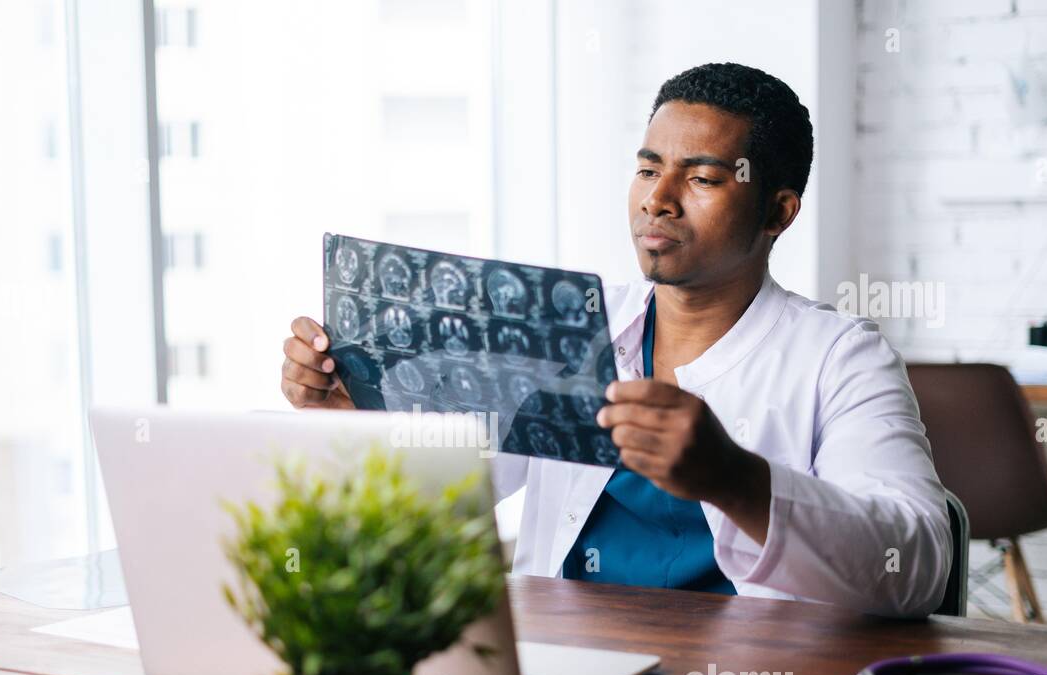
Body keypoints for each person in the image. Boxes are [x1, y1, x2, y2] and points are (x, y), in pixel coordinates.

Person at [279, 62, 951, 619]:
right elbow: (458, 490)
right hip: (568, 674)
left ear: (778, 210)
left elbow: (916, 563)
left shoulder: (840, 357)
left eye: (703, 178)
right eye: (647, 168)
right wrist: (360, 420)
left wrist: (734, 479)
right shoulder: (570, 328)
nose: (658, 199)